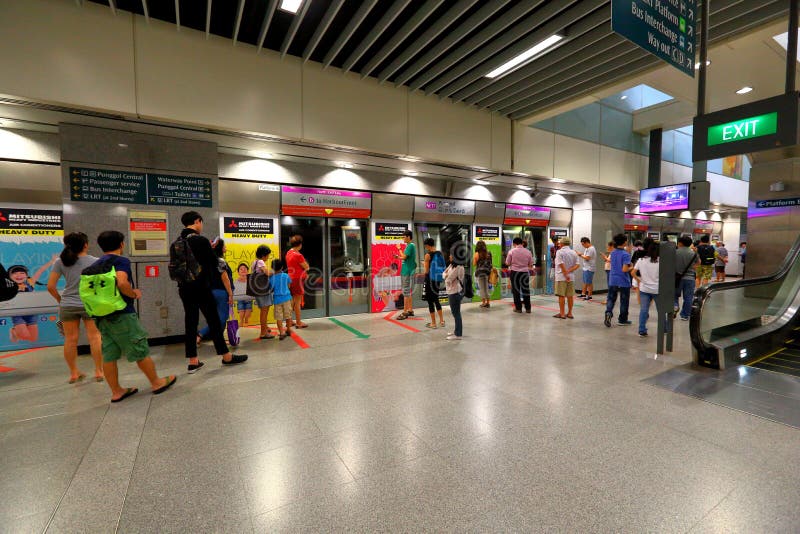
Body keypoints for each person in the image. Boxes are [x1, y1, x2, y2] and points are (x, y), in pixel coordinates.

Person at [90, 231, 176, 402]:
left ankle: (116, 391)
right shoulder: (120, 260)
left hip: (101, 316)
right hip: (121, 314)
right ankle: (156, 382)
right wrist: (133, 293)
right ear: (121, 244)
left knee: (109, 354)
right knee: (139, 348)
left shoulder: (95, 265)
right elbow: (121, 282)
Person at [175, 211, 248, 374]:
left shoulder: (177, 242)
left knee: (190, 321)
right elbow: (213, 264)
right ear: (197, 221)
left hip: (184, 288)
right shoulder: (200, 240)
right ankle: (226, 356)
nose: (201, 226)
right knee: (214, 321)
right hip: (201, 287)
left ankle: (193, 361)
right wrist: (212, 250)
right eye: (201, 222)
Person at [46, 232, 104, 384]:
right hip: (90, 304)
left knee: (70, 340)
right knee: (95, 338)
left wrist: (61, 300)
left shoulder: (60, 262)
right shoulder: (96, 261)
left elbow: (50, 286)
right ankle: (99, 371)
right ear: (85, 244)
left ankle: (73, 373)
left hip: (68, 305)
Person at [7, 256, 58, 343]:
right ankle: (14, 330)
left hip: (31, 313)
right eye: (15, 273)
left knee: (33, 339)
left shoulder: (30, 282)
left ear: (26, 276)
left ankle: (17, 331)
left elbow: (40, 271)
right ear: (10, 276)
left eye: (22, 273)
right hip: (17, 313)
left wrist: (52, 262)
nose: (18, 275)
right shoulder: (8, 286)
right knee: (25, 335)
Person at [197, 238, 234, 345]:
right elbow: (225, 278)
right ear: (220, 248)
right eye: (224, 245)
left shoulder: (207, 261)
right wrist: (230, 293)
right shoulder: (220, 261)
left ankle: (219, 339)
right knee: (221, 318)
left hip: (210, 291)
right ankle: (200, 333)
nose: (226, 247)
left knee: (216, 316)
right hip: (221, 292)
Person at [604, 234, 633, 327]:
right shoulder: (626, 254)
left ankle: (608, 313)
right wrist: (632, 267)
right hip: (623, 281)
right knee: (624, 300)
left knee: (611, 298)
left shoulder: (613, 252)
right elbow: (624, 269)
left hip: (613, 279)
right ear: (624, 242)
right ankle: (622, 319)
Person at [632, 240, 660, 337]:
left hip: (644, 289)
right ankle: (664, 328)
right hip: (657, 289)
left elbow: (632, 272)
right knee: (661, 310)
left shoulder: (641, 260)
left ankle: (642, 330)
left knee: (644, 309)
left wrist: (639, 280)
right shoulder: (661, 261)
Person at [251, 244, 275, 339]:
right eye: (267, 255)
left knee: (263, 310)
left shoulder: (255, 262)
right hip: (263, 290)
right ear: (263, 255)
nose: (268, 257)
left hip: (258, 290)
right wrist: (273, 271)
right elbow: (268, 273)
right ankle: (263, 333)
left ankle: (265, 327)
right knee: (264, 311)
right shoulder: (260, 262)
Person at [286, 235, 310, 328]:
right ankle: (299, 322)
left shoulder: (288, 253)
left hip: (290, 278)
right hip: (298, 280)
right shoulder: (298, 255)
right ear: (300, 245)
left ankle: (290, 320)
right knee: (297, 301)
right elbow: (306, 267)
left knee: (292, 300)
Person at [553, 237, 580, 319]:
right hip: (571, 277)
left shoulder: (559, 252)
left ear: (562, 244)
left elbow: (560, 263)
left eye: (559, 243)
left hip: (561, 277)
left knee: (561, 295)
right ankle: (570, 313)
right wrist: (569, 271)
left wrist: (565, 273)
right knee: (570, 296)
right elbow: (577, 265)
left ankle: (562, 313)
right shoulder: (574, 252)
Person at [422, 238, 445, 329]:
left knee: (430, 301)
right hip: (437, 279)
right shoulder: (440, 254)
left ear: (427, 245)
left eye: (425, 245)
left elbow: (426, 271)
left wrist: (424, 264)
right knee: (436, 299)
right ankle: (442, 321)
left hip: (430, 280)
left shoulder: (428, 255)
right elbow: (443, 266)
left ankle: (433, 323)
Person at [443, 246, 465, 340]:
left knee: (456, 313)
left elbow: (448, 279)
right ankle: (456, 331)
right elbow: (443, 273)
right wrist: (445, 275)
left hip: (455, 292)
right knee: (455, 313)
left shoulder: (458, 267)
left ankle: (458, 334)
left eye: (451, 255)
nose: (449, 256)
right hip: (451, 291)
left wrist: (446, 275)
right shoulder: (452, 265)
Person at [506, 237, 533, 314]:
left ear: (514, 243)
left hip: (515, 273)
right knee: (526, 290)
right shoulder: (528, 252)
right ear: (521, 243)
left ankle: (518, 308)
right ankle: (528, 308)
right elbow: (530, 264)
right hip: (524, 273)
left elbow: (507, 263)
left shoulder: (511, 251)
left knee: (516, 291)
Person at [674, 235, 698, 321]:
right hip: (690, 278)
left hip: (677, 278)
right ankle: (685, 315)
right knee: (688, 297)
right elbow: (698, 263)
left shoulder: (675, 252)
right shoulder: (693, 253)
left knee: (674, 295)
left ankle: (675, 306)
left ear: (680, 243)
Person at [395, 230, 417, 320]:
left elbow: (404, 257)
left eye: (404, 237)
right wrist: (398, 257)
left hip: (407, 272)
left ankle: (404, 312)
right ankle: (410, 310)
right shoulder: (410, 246)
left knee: (406, 292)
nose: (403, 239)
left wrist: (399, 249)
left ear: (408, 237)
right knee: (408, 292)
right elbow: (405, 258)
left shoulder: (410, 245)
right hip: (407, 271)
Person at [270, 259, 293, 340]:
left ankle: (282, 332)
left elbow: (271, 288)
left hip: (277, 299)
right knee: (288, 315)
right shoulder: (286, 276)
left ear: (272, 268)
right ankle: (289, 329)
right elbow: (289, 285)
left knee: (279, 317)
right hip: (287, 298)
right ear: (282, 267)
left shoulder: (272, 278)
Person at [473, 240, 493, 308]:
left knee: (482, 288)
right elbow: (490, 263)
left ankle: (484, 303)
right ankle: (488, 302)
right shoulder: (489, 253)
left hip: (480, 273)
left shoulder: (477, 253)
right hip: (487, 272)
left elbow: (474, 264)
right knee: (486, 287)